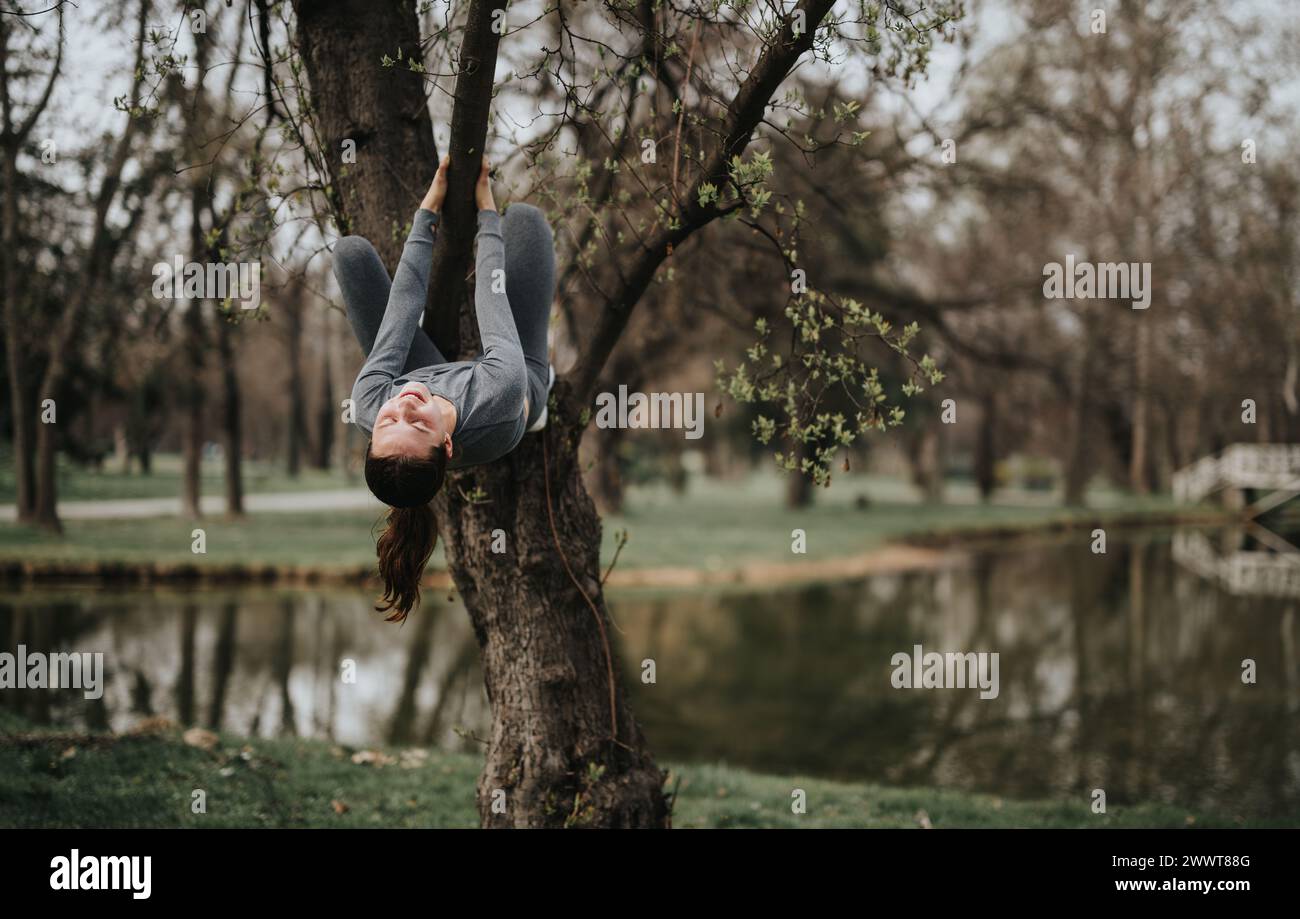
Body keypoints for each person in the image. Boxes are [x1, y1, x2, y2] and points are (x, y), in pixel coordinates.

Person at [332, 155, 555, 622]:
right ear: (447, 443)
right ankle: (539, 410)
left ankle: (442, 371)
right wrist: (485, 211)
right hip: (521, 390)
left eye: (389, 420)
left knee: (350, 254)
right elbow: (489, 296)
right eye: (415, 422)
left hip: (447, 384)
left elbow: (401, 308)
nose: (404, 405)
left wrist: (429, 208)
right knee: (526, 221)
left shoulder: (372, 403)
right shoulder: (501, 390)